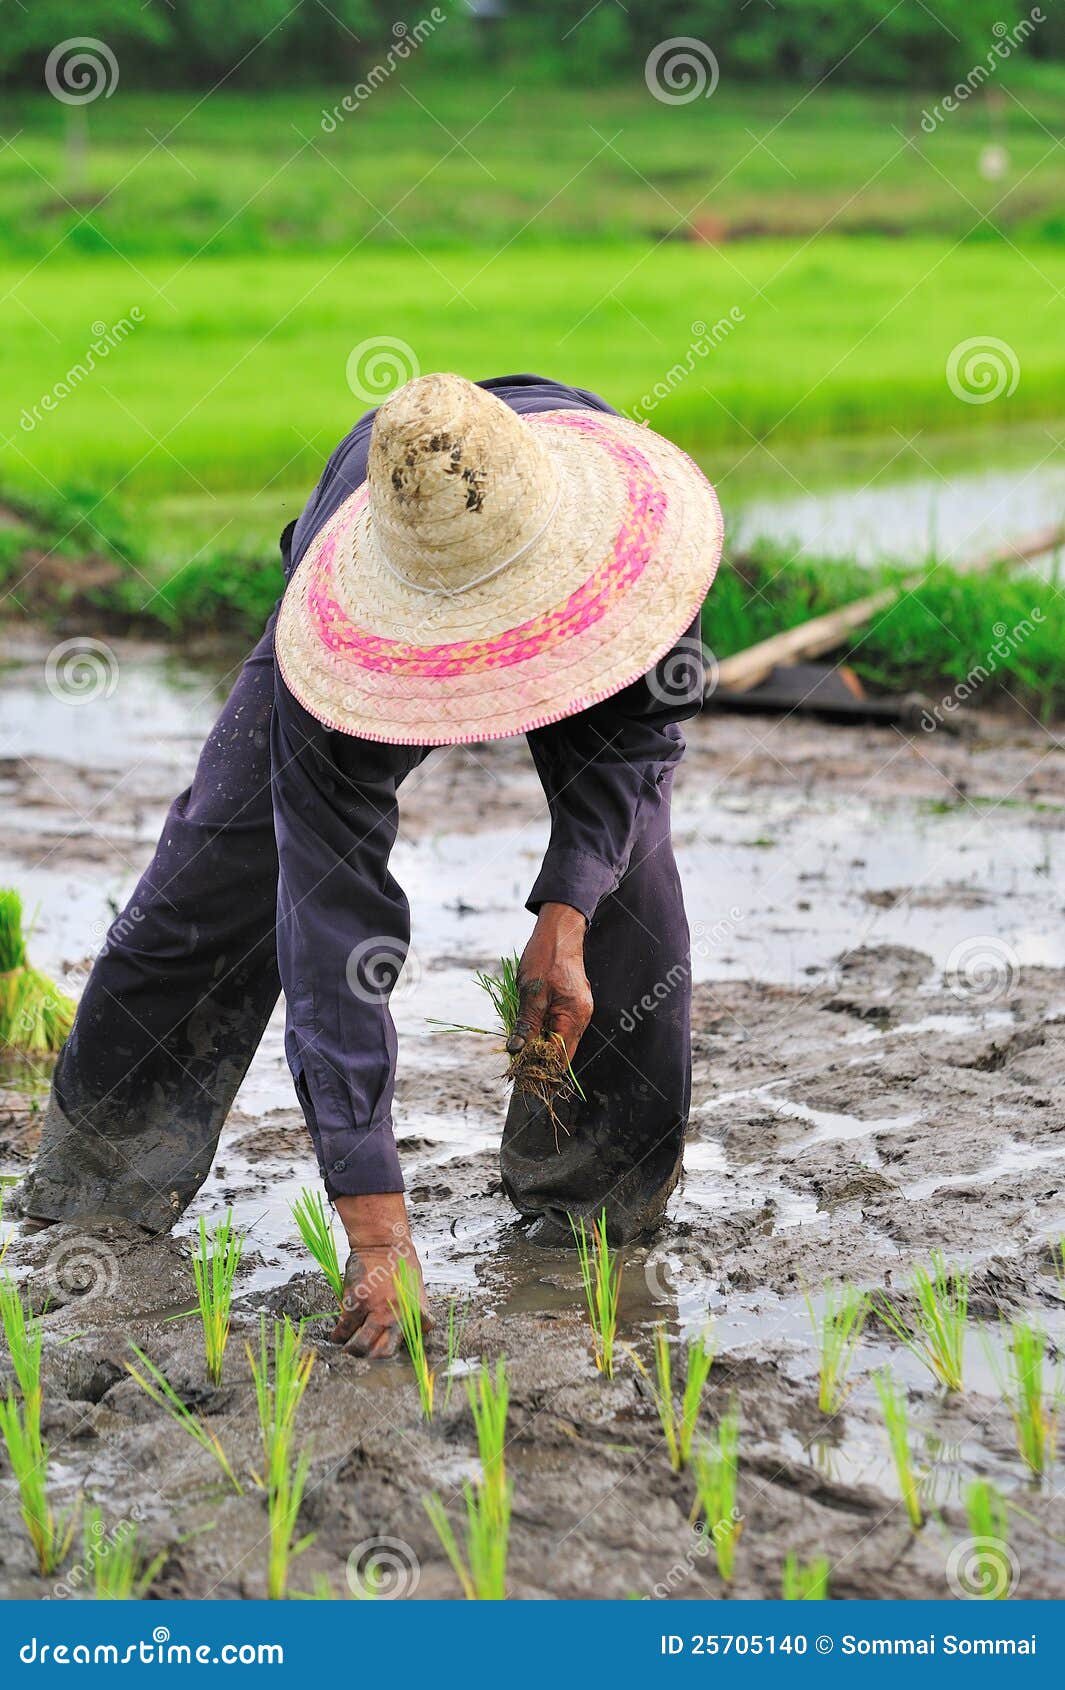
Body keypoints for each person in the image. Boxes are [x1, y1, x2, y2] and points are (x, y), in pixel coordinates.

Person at [21, 371, 723, 1357]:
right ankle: (105, 1171)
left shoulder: (636, 538)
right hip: (373, 591)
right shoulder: (342, 628)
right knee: (223, 855)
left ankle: (597, 1197)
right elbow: (329, 921)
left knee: (624, 880)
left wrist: (565, 914)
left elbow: (639, 742)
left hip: (574, 579)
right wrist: (376, 1227)